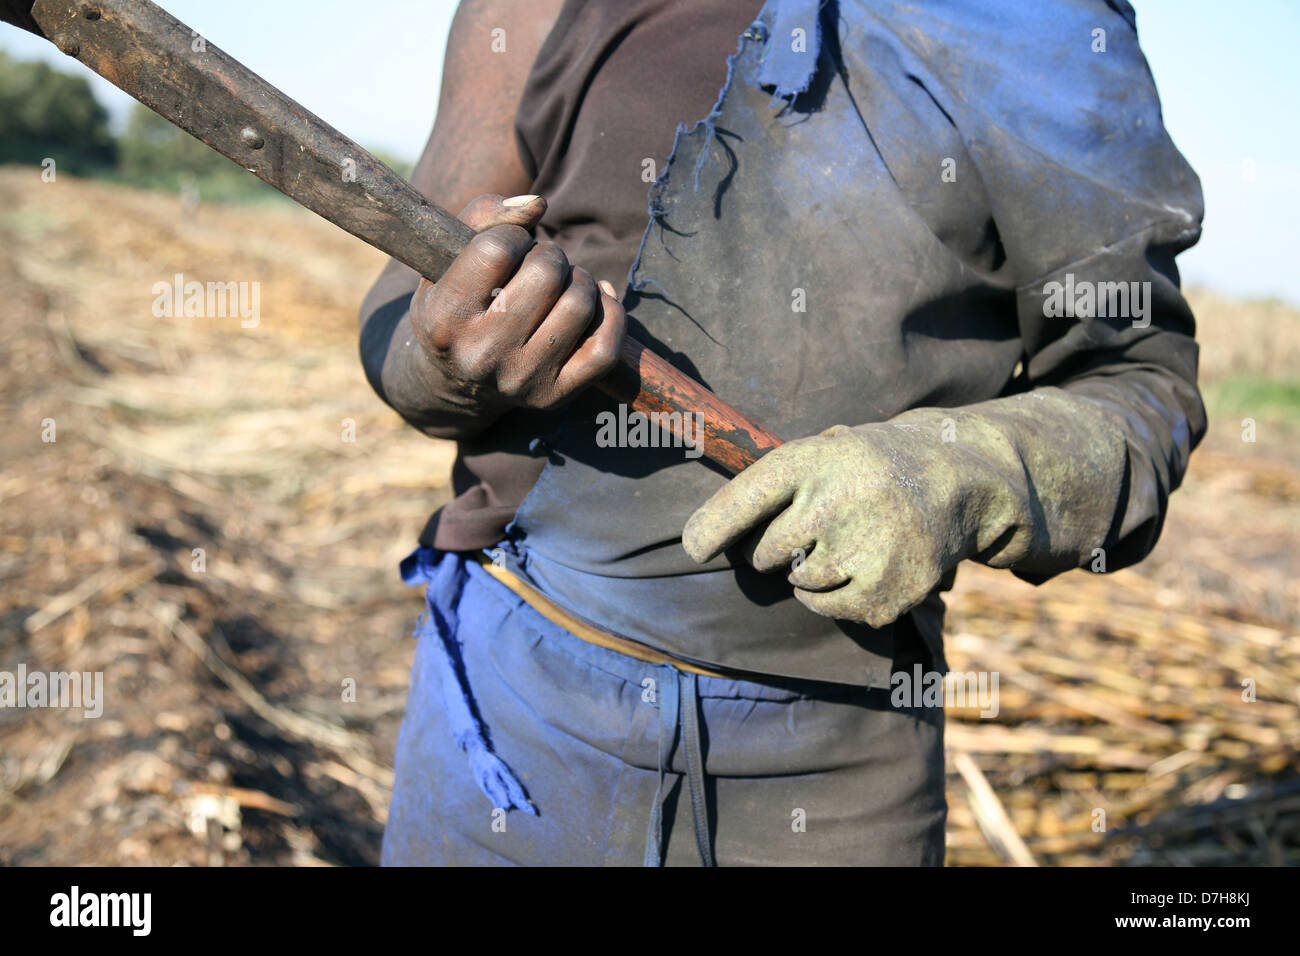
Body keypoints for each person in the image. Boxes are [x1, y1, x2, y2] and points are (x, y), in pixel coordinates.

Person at [359, 0, 1204, 866]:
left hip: (831, 763)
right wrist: (447, 358)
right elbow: (398, 322)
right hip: (509, 709)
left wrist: (961, 474)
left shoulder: (1042, 22)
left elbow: (1143, 389)